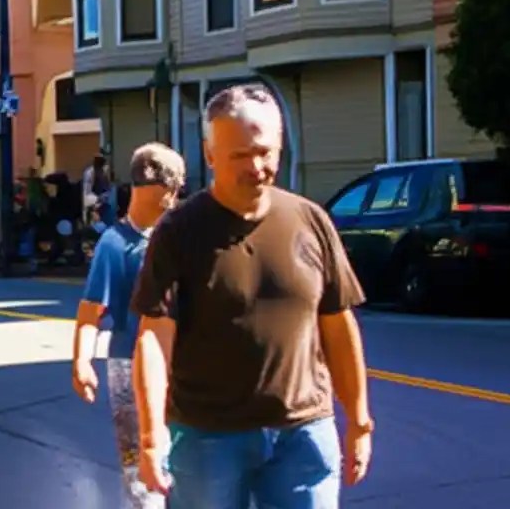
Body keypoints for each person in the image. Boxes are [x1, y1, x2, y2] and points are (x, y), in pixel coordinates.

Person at [131, 84, 374, 508]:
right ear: (209, 155)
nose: (256, 166)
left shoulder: (310, 221)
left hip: (303, 435)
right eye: (239, 155)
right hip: (208, 438)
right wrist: (152, 436)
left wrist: (359, 420)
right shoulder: (179, 232)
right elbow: (154, 337)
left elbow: (337, 324)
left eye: (264, 151)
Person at [71, 143, 185, 509]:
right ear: (154, 187)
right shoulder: (115, 244)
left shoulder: (180, 237)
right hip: (129, 365)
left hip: (182, 366)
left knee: (184, 465)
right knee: (141, 474)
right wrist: (82, 362)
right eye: (174, 187)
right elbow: (91, 313)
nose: (177, 196)